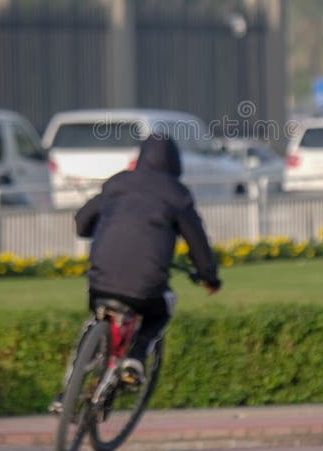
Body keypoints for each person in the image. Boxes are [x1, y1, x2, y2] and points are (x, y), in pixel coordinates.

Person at [51, 132, 221, 408]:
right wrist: (209, 277)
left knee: (97, 318)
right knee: (163, 307)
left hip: (100, 280)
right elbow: (197, 243)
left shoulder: (117, 183)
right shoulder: (176, 194)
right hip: (146, 287)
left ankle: (66, 393)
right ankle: (136, 357)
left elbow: (82, 223)